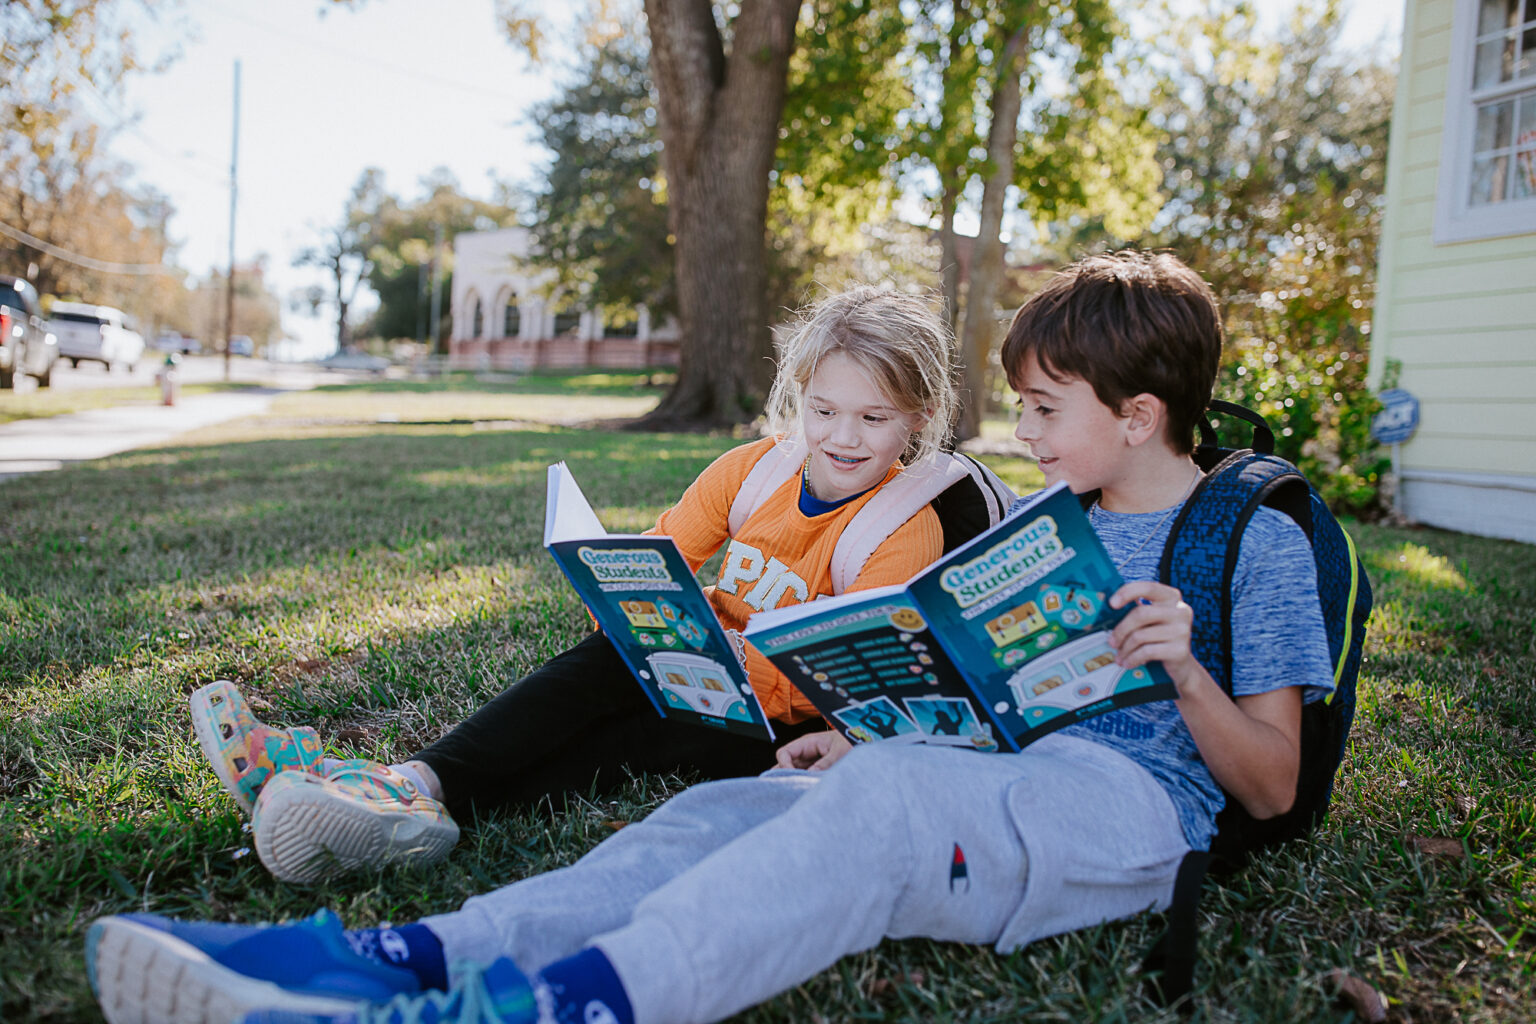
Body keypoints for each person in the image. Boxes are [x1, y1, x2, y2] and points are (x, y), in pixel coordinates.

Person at [87, 251, 1335, 1024]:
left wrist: (1178, 658)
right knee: (710, 814)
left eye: (1046, 409)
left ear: (1141, 414)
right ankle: (393, 958)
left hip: (1127, 803)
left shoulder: (1247, 541)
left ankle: (549, 1004)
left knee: (886, 811)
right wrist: (859, 734)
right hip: (993, 768)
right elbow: (960, 692)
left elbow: (1270, 786)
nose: (1024, 432)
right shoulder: (1047, 521)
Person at [193, 286, 968, 884]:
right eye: (824, 409)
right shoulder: (754, 469)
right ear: (799, 395)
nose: (840, 435)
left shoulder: (902, 527)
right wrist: (625, 596)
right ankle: (403, 795)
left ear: (917, 419)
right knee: (596, 671)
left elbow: (849, 670)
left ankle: (387, 789)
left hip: (776, 727)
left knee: (628, 736)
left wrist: (725, 658)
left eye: (872, 418)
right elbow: (664, 548)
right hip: (696, 669)